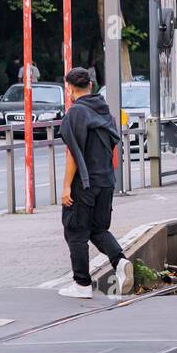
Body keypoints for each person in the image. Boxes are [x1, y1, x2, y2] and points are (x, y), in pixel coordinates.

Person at [58, 67, 132, 299]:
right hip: (106, 181)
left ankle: (81, 284)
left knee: (75, 231)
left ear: (69, 88)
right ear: (90, 85)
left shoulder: (76, 113)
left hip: (85, 183)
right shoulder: (104, 112)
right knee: (98, 229)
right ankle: (120, 262)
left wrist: (67, 185)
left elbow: (73, 153)